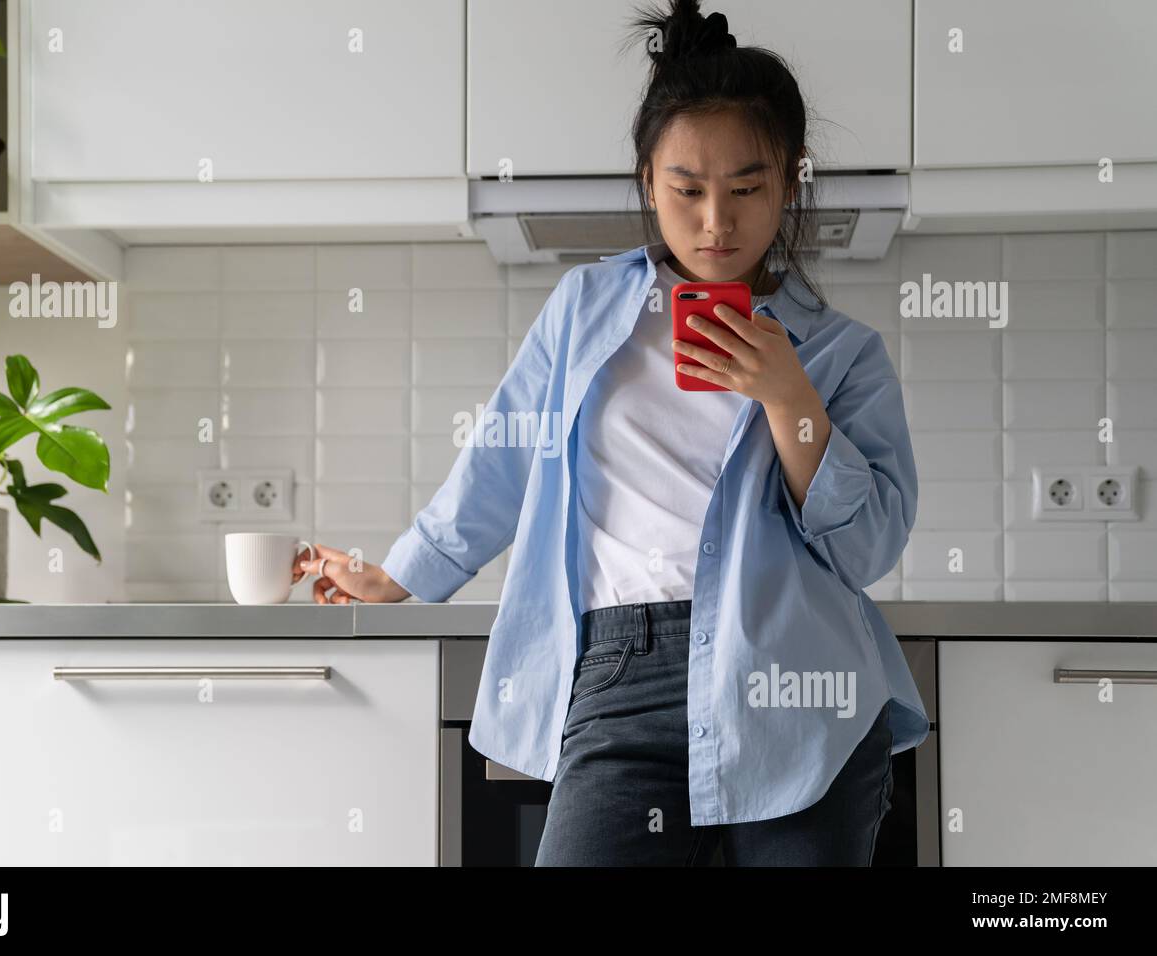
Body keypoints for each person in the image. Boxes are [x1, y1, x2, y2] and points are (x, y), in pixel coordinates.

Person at [293, 0, 930, 866]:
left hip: (795, 688)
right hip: (617, 680)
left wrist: (789, 399)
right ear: (646, 182)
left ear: (789, 181)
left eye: (747, 188)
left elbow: (867, 548)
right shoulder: (585, 311)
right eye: (688, 189)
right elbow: (506, 455)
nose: (717, 221)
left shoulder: (842, 354)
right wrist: (403, 573)